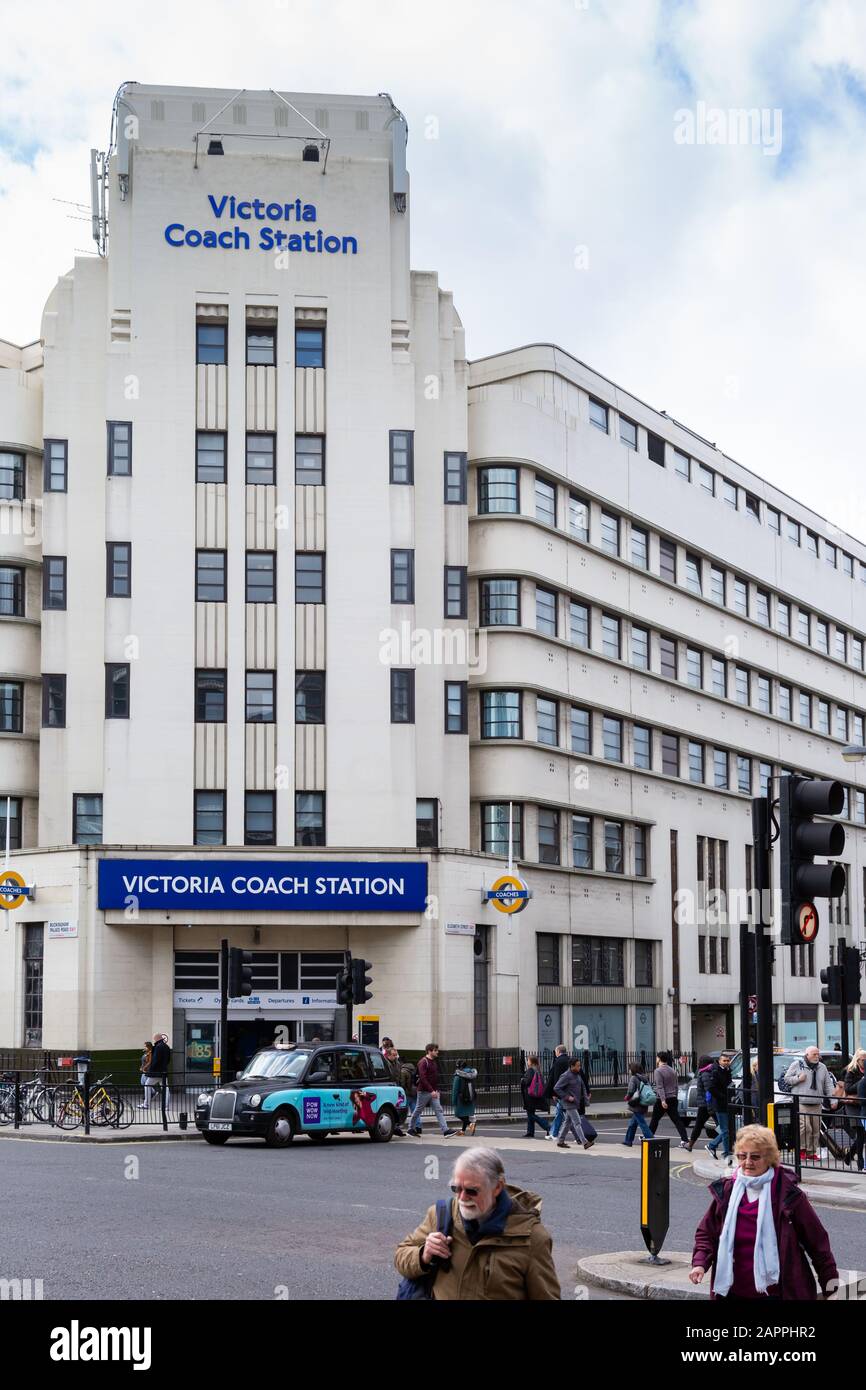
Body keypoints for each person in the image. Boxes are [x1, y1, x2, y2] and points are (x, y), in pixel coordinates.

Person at [689, 1123, 839, 1300]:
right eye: (742, 1156)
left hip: (777, 1293)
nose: (747, 1162)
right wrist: (700, 1263)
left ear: (769, 1158)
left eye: (755, 1157)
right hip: (732, 1292)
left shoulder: (788, 1195)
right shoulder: (728, 1191)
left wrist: (832, 1289)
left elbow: (818, 1244)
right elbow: (707, 1232)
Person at [394, 1146, 561, 1299]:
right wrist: (423, 1255)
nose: (462, 1198)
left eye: (472, 1191)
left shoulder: (532, 1238)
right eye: (456, 1188)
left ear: (497, 1187)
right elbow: (401, 1256)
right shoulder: (441, 1214)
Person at [784, 1046, 838, 1159]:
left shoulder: (822, 1067)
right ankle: (802, 1149)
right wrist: (798, 1078)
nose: (817, 1056)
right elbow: (787, 1079)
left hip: (817, 1103)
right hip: (801, 1101)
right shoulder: (797, 1065)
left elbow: (828, 1085)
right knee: (805, 1127)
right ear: (807, 1055)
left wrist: (833, 1100)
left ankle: (811, 1152)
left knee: (815, 1129)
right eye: (814, 1054)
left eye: (818, 1054)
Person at [408, 1043, 457, 1138]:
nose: (437, 1052)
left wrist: (436, 1090)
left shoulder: (433, 1062)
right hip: (423, 1091)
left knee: (439, 1110)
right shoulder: (423, 1062)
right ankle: (410, 1129)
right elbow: (423, 1078)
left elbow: (434, 1078)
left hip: (433, 1092)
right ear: (429, 1051)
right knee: (418, 1110)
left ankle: (445, 1130)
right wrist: (431, 1091)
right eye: (435, 1050)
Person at [553, 1057, 594, 1149]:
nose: (579, 1067)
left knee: (567, 1123)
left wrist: (586, 1097)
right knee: (577, 1122)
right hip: (568, 1103)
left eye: (580, 1065)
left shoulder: (577, 1074)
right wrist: (567, 1097)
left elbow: (582, 1086)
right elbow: (556, 1088)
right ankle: (585, 1142)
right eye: (578, 1066)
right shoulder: (566, 1076)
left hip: (575, 1102)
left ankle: (560, 1141)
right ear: (572, 1066)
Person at [649, 1050, 689, 1142]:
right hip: (673, 1098)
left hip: (662, 1099)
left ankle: (649, 1136)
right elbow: (676, 1086)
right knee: (677, 1120)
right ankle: (685, 1139)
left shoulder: (658, 1071)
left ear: (659, 1059)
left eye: (657, 1057)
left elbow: (660, 1087)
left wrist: (663, 1100)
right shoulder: (672, 1071)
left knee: (655, 1119)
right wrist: (675, 1096)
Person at [705, 1053, 734, 1161]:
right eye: (724, 1061)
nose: (726, 1062)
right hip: (720, 1104)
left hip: (728, 1103)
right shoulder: (715, 1071)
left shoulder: (727, 1071)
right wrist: (722, 1097)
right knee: (725, 1130)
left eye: (728, 1060)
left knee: (727, 1130)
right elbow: (711, 1088)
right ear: (720, 1061)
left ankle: (713, 1146)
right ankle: (725, 1152)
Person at [841, 1049, 866, 1170]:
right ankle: (860, 1161)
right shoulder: (851, 1071)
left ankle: (849, 1155)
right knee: (861, 1133)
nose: (864, 1061)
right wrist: (862, 1082)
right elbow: (848, 1089)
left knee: (862, 1135)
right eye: (863, 1059)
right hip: (853, 1105)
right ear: (857, 1059)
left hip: (863, 1104)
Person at [684, 1055, 713, 1151]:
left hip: (705, 1104)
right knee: (701, 1125)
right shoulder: (708, 1072)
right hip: (706, 1103)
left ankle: (690, 1144)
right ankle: (690, 1144)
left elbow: (708, 1090)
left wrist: (709, 1105)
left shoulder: (705, 1073)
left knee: (698, 1125)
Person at [622, 1060, 654, 1145]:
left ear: (633, 1069)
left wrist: (627, 1097)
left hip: (636, 1104)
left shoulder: (634, 1078)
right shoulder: (645, 1077)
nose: (629, 1071)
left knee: (642, 1123)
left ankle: (650, 1138)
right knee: (632, 1123)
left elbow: (631, 1090)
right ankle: (628, 1140)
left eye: (629, 1069)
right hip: (644, 1102)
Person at [543, 1044, 570, 1141]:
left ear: (558, 1051)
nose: (555, 1053)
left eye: (555, 1051)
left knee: (568, 1115)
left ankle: (554, 1133)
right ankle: (553, 1133)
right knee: (561, 1113)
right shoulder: (570, 1060)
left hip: (560, 1092)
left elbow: (555, 1078)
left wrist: (554, 1093)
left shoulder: (558, 1062)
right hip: (569, 1091)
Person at [521, 1054, 551, 1138]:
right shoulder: (538, 1069)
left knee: (531, 1115)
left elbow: (527, 1082)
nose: (527, 1062)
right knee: (530, 1113)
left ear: (531, 1062)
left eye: (528, 1060)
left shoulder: (531, 1070)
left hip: (530, 1096)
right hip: (535, 1095)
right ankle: (530, 1132)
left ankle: (548, 1127)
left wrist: (522, 1080)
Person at [382, 1044, 408, 1136]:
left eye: (396, 1054)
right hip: (389, 1087)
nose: (395, 1056)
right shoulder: (384, 1063)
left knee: (397, 1107)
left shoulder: (397, 1063)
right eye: (393, 1055)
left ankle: (395, 1127)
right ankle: (394, 1127)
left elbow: (400, 1075)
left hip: (396, 1087)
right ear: (388, 1055)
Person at [143, 1032, 171, 1109]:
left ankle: (146, 1104)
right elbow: (168, 1060)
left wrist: (150, 1070)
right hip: (164, 1071)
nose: (154, 1041)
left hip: (156, 1072)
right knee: (165, 1088)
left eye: (154, 1039)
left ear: (156, 1039)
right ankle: (166, 1106)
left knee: (147, 1085)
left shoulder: (158, 1047)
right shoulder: (167, 1047)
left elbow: (155, 1060)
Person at [451, 1059, 478, 1136]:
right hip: (470, 1097)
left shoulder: (458, 1076)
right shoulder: (471, 1074)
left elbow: (455, 1090)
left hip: (461, 1099)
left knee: (458, 1114)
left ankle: (470, 1124)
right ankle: (463, 1131)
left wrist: (453, 1100)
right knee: (465, 1115)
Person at [137, 1041, 153, 1109]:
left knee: (146, 1084)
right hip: (144, 1070)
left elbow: (149, 1062)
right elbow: (143, 1061)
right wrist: (142, 1066)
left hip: (147, 1070)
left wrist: (144, 1067)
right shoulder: (146, 1052)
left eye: (145, 1046)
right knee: (143, 1082)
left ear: (148, 1046)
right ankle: (152, 1092)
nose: (144, 1047)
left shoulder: (150, 1053)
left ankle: (149, 1095)